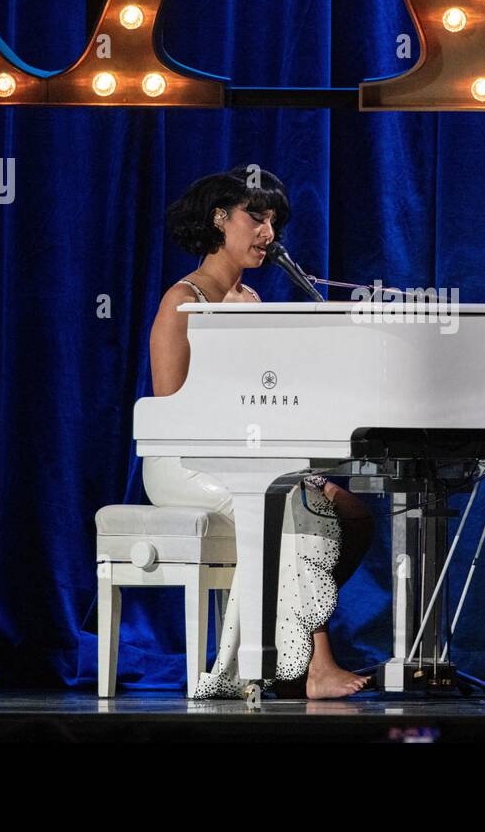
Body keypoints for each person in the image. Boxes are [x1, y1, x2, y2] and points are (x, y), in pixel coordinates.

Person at [145, 166, 374, 699]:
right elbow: (171, 411)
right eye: (256, 216)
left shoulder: (249, 302)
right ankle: (315, 666)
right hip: (185, 466)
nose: (268, 232)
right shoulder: (184, 301)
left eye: (274, 220)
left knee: (354, 515)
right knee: (294, 506)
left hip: (246, 460)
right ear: (219, 219)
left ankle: (284, 638)